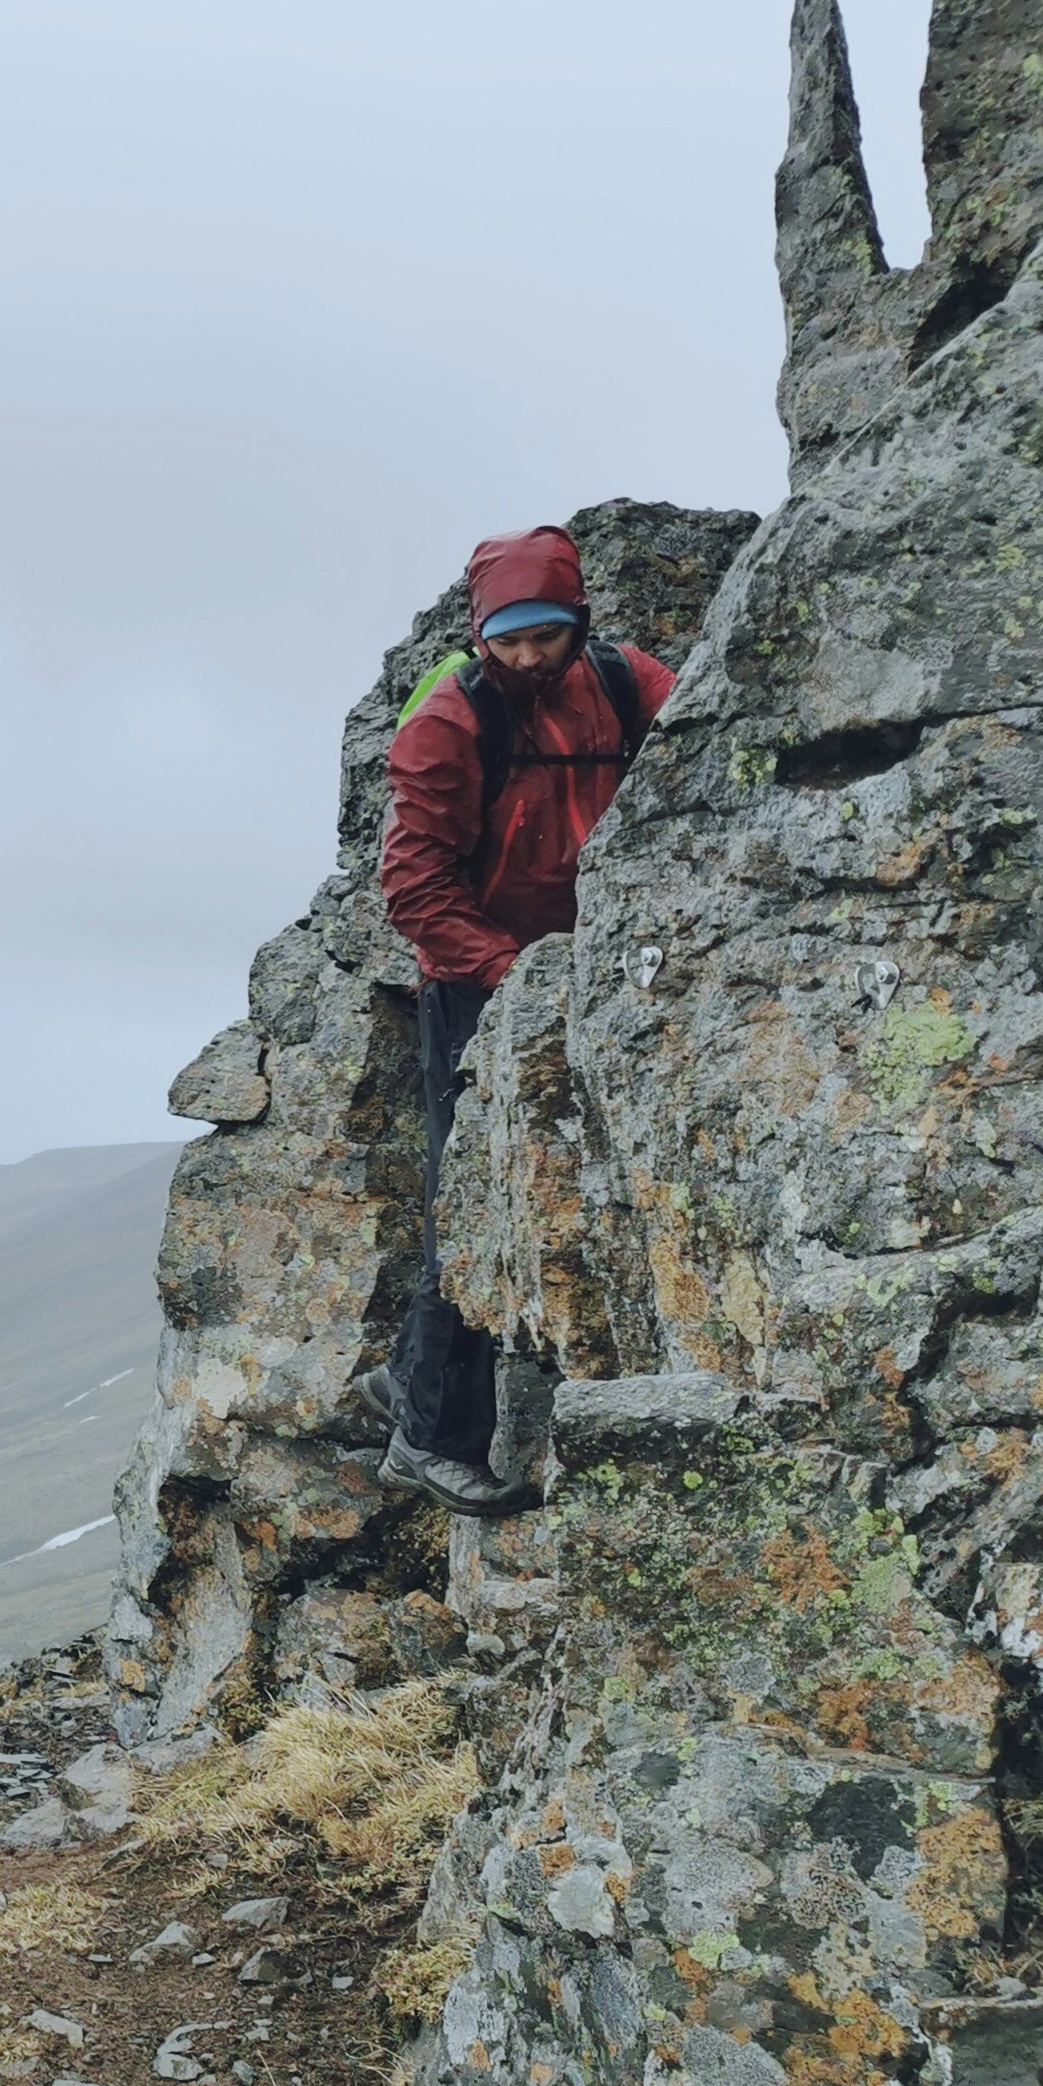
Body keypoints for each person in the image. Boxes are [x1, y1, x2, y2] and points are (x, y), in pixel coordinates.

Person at [376, 523, 674, 1515]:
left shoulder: (629, 685)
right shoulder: (448, 721)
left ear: (578, 622)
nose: (528, 658)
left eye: (546, 636)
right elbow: (413, 887)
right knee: (470, 1217)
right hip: (474, 986)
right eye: (507, 640)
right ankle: (429, 1438)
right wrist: (514, 981)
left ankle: (432, 1391)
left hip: (597, 976)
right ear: (480, 634)